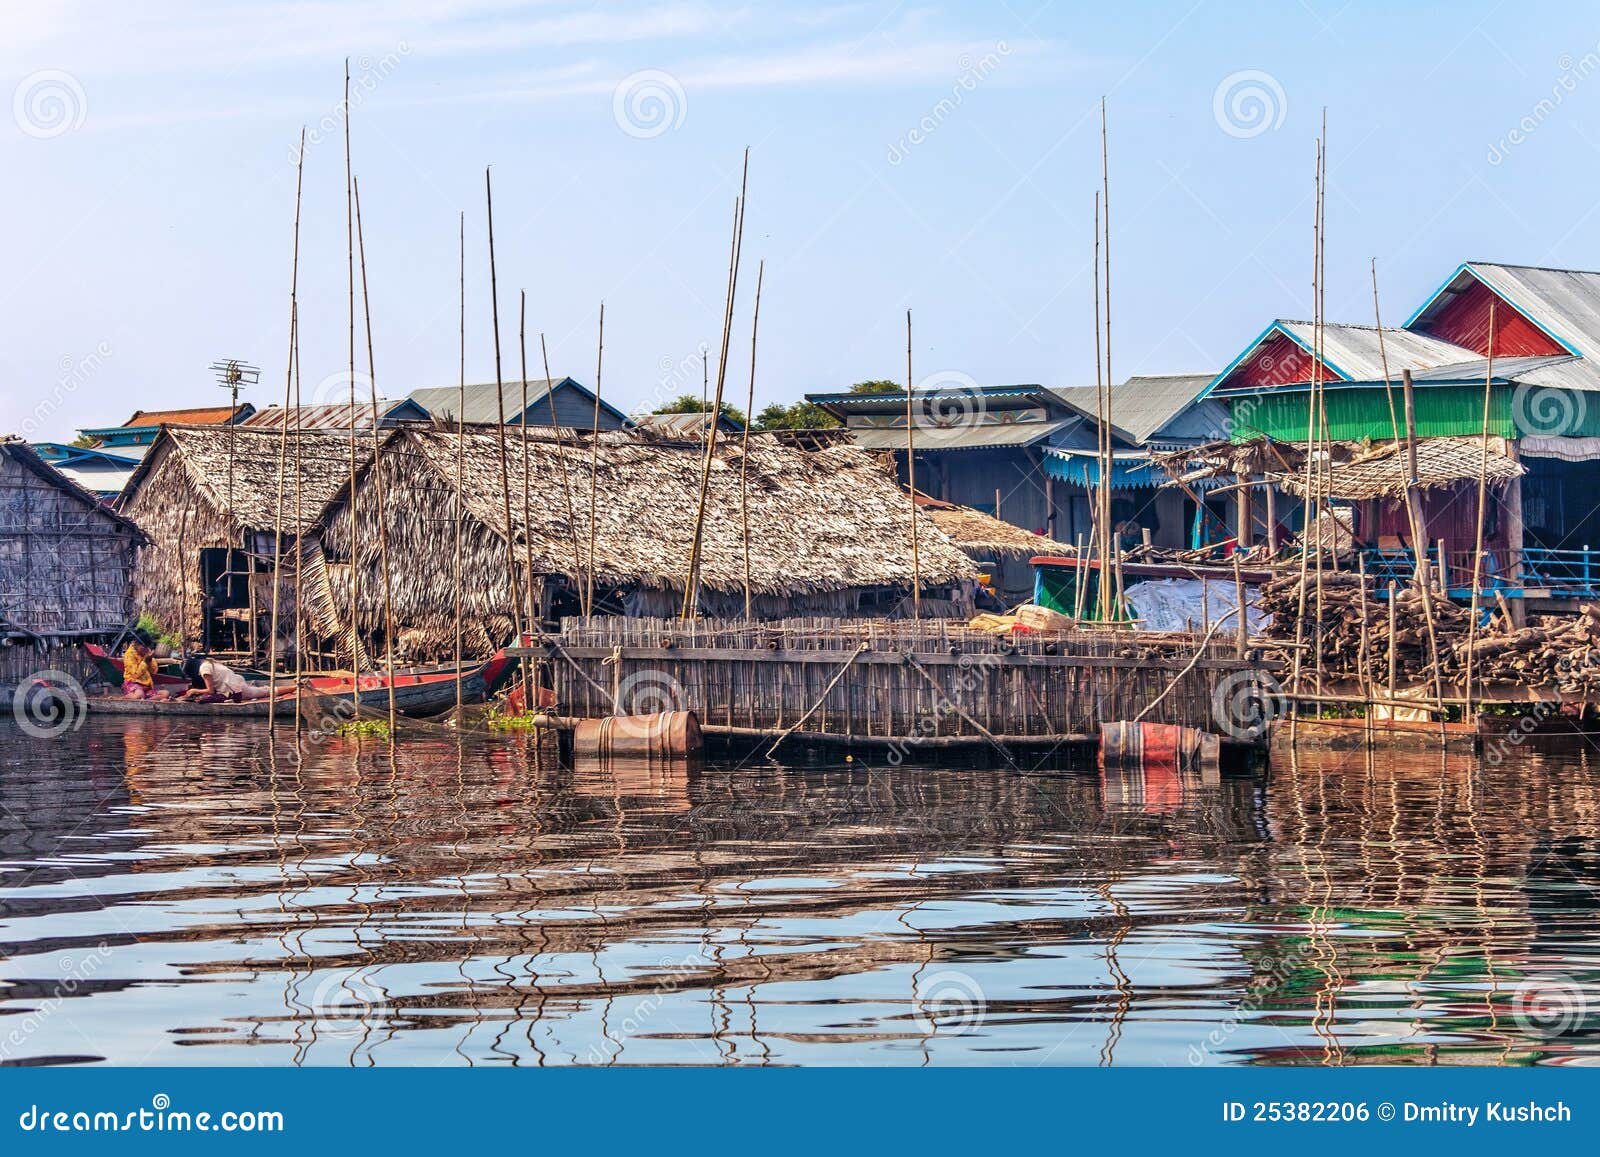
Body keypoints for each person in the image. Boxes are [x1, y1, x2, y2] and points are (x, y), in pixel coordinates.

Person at [181, 654, 271, 702]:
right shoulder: (207, 663)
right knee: (265, 691)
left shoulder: (204, 669)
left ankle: (285, 689)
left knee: (266, 691)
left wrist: (194, 691)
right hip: (236, 683)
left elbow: (210, 691)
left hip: (234, 691)